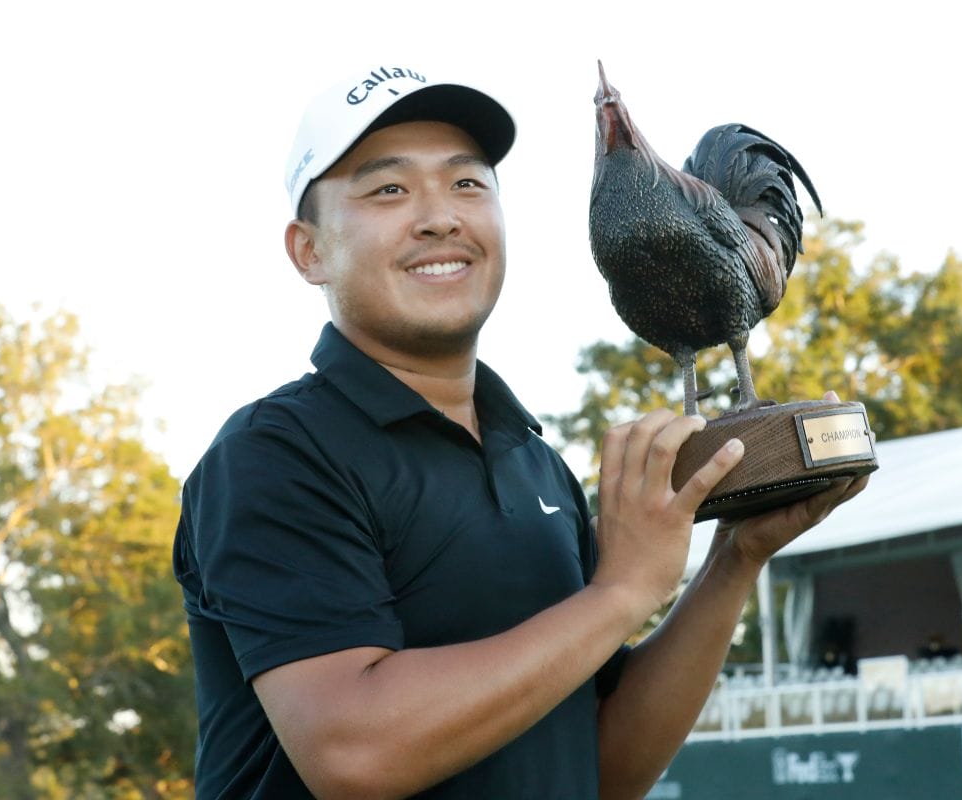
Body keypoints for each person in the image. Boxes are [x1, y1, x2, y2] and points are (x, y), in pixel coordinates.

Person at [172, 63, 868, 799]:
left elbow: (603, 767)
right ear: (308, 250)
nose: (441, 216)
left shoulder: (538, 465)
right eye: (389, 189)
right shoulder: (274, 456)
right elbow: (354, 753)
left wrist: (734, 560)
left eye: (468, 184)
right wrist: (622, 592)